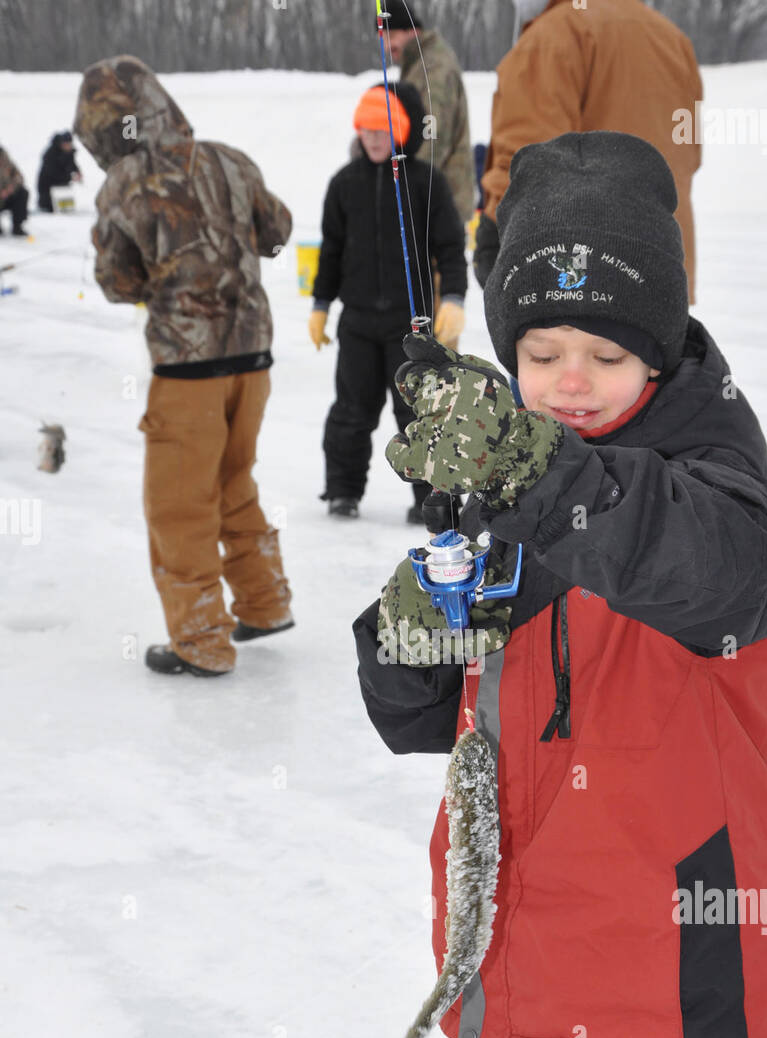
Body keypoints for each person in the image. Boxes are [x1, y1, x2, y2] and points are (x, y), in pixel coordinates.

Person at [354, 132, 767, 1038]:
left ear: (659, 351)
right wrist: (429, 595)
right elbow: (404, 707)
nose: (567, 379)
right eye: (539, 351)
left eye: (605, 351)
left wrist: (530, 477)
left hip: (669, 975)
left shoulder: (713, 486)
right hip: (527, 970)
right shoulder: (513, 489)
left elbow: (702, 569)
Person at [74, 55, 294, 677]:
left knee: (179, 506)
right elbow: (276, 229)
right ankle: (265, 601)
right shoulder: (229, 157)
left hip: (188, 371)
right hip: (253, 360)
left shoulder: (125, 184)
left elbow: (117, 281)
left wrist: (159, 276)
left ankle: (199, 639)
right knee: (233, 482)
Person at [309, 81, 466, 525]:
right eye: (366, 130)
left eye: (382, 130)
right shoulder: (344, 184)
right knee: (351, 411)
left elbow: (451, 246)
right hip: (357, 321)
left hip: (410, 324)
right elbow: (331, 250)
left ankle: (430, 499)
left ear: (400, 130)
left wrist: (452, 298)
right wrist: (322, 304)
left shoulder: (423, 180)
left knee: (419, 413)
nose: (374, 139)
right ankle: (342, 491)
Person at [474, 0, 702, 303]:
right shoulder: (672, 40)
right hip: (667, 271)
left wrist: (496, 232)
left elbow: (531, 161)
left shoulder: (551, 37)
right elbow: (689, 154)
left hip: (588, 279)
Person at [385, 1, 476, 226]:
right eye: (382, 38)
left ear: (411, 30)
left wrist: (409, 190)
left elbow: (433, 137)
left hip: (439, 203)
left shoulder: (433, 68)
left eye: (391, 35)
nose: (387, 45)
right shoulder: (418, 65)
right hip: (428, 199)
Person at [37, 131, 82, 212]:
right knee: (51, 207)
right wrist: (71, 177)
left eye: (69, 144)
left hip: (62, 187)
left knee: (66, 208)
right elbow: (53, 174)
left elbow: (72, 165)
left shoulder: (69, 153)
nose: (68, 146)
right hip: (47, 189)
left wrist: (78, 172)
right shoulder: (49, 155)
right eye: (66, 144)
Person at [0, 145, 29, 235]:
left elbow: (19, 177)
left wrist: (11, 188)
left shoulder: (7, 162)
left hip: (6, 197)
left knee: (22, 192)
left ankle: (17, 226)